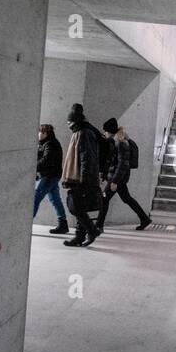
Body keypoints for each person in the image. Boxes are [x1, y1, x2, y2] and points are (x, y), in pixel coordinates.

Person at [95, 117, 152, 233]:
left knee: (104, 199)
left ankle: (98, 225)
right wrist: (105, 175)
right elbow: (112, 162)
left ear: (110, 131)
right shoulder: (116, 142)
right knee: (127, 198)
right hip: (117, 177)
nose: (104, 133)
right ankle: (144, 218)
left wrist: (115, 181)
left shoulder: (121, 143)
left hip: (118, 178)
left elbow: (122, 164)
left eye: (105, 131)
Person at [60, 103, 102, 247]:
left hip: (82, 177)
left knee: (75, 206)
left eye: (69, 121)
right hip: (79, 176)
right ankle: (80, 236)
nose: (67, 124)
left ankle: (92, 230)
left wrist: (85, 179)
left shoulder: (84, 133)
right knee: (79, 206)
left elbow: (87, 157)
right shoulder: (79, 132)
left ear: (75, 121)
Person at [33, 123, 69, 234]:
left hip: (49, 176)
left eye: (40, 132)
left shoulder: (50, 144)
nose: (38, 134)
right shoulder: (47, 143)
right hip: (52, 176)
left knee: (36, 198)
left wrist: (34, 166)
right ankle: (63, 224)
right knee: (55, 199)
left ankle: (26, 224)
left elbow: (46, 160)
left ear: (45, 133)